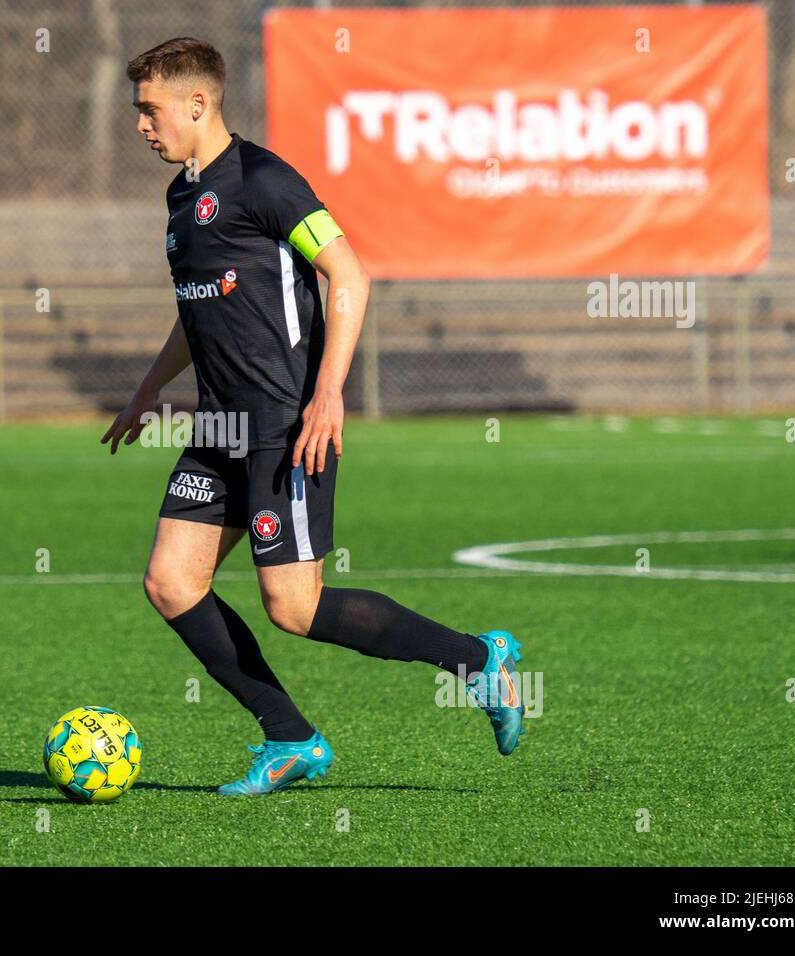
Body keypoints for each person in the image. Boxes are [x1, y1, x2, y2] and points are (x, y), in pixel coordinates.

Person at [101, 38, 526, 796]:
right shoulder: (179, 201)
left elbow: (349, 274)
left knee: (293, 609)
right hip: (218, 430)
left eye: (149, 109)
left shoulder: (266, 182)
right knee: (171, 581)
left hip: (283, 426)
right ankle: (291, 738)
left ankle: (475, 659)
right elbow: (195, 309)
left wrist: (328, 393)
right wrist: (146, 390)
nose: (140, 124)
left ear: (197, 105)